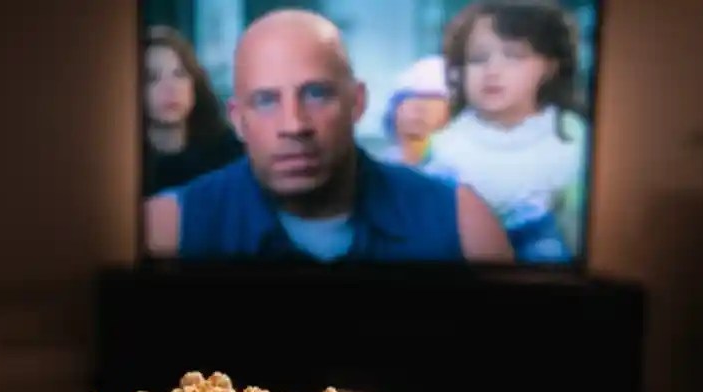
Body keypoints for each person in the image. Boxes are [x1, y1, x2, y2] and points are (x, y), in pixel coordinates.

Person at [143, 10, 511, 263]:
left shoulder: (463, 223)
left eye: (316, 93)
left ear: (358, 103)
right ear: (239, 120)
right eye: (267, 100)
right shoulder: (168, 228)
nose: (294, 124)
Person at [426, 0, 589, 262]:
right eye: (478, 59)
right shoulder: (444, 146)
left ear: (549, 66)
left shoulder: (574, 138)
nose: (493, 71)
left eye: (513, 55)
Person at [142, 26, 244, 197]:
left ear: (194, 83)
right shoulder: (119, 168)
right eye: (152, 78)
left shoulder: (231, 157)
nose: (170, 88)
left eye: (179, 74)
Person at [378, 55, 452, 169]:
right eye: (408, 99)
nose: (417, 107)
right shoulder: (385, 163)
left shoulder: (453, 165)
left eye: (430, 99)